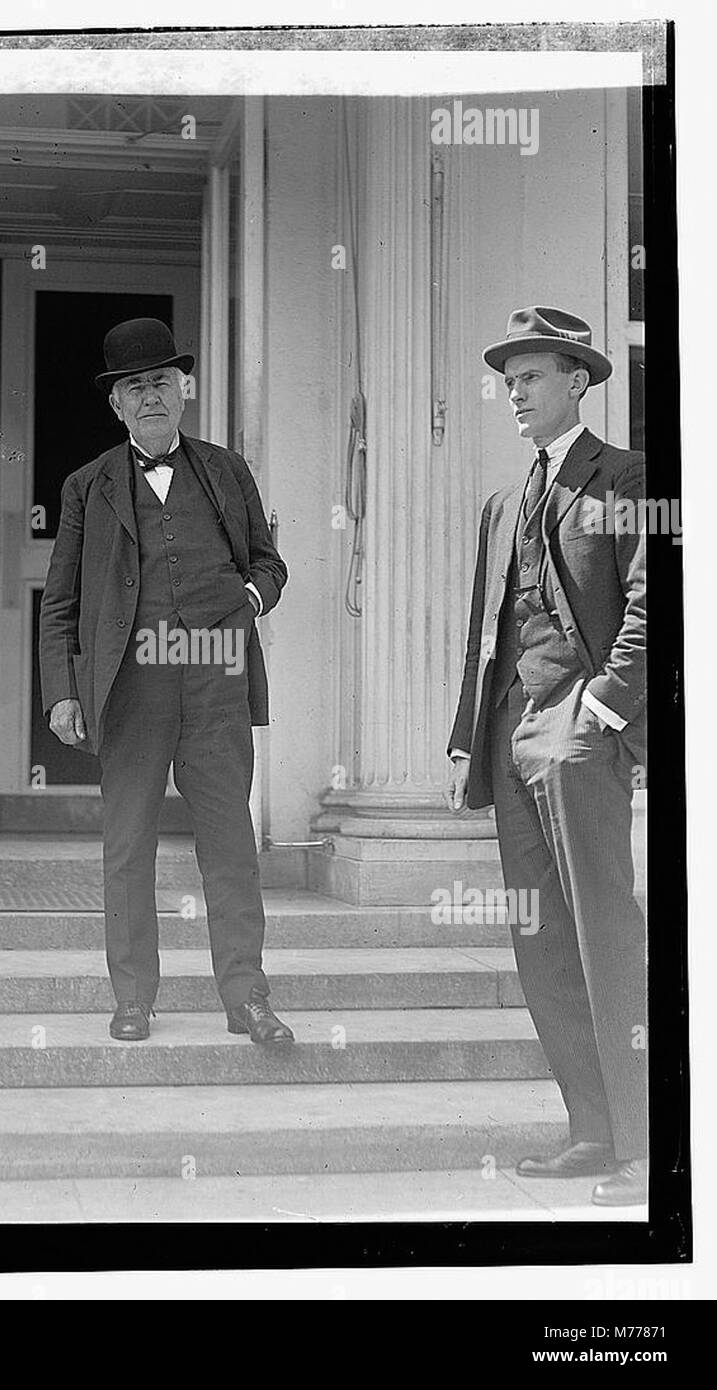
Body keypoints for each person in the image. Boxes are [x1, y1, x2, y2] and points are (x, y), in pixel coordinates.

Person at [39, 318, 293, 1045]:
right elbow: (61, 602)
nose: (148, 396)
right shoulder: (87, 487)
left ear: (182, 390)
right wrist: (62, 690)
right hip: (129, 688)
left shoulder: (224, 470)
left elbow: (266, 562)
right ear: (115, 405)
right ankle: (132, 998)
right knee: (126, 847)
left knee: (229, 844)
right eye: (132, 387)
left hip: (215, 682)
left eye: (159, 382)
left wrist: (250, 599)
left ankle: (246, 997)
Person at [446, 306, 647, 1207]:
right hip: (510, 732)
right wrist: (473, 737)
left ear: (577, 380)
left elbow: (655, 602)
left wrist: (604, 704)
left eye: (530, 376)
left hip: (578, 727)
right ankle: (591, 1131)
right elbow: (487, 632)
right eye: (509, 379)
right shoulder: (502, 501)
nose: (514, 393)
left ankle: (647, 1147)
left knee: (605, 935)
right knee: (538, 940)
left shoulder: (630, 477)